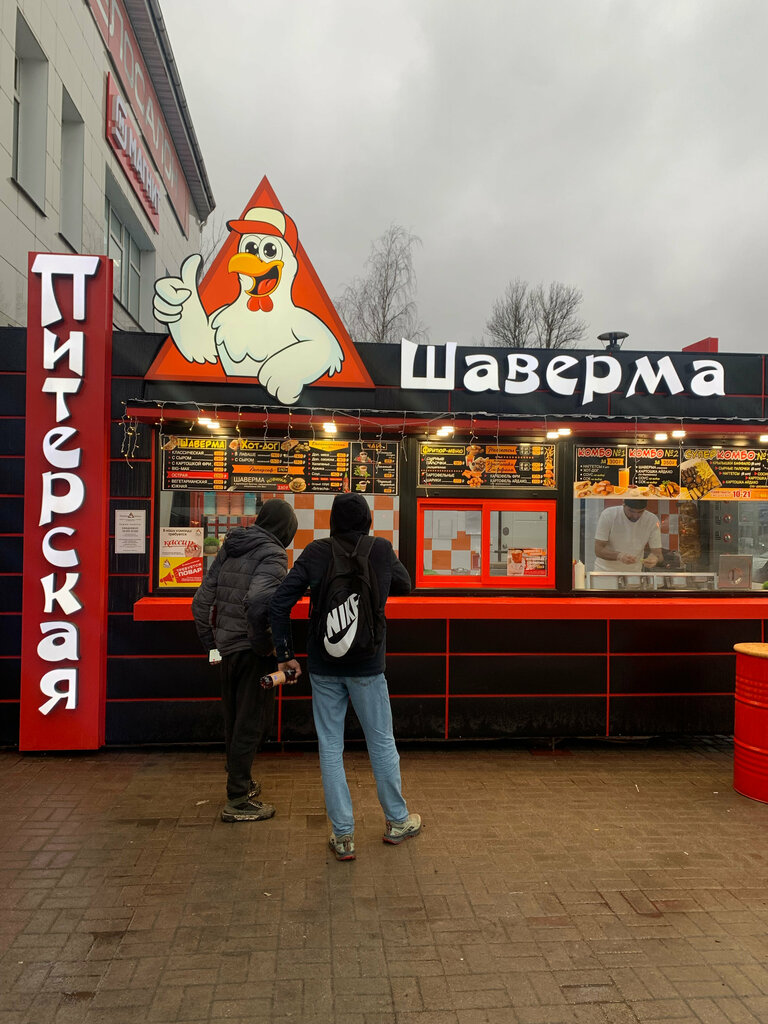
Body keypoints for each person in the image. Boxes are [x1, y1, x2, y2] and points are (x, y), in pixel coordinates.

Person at [269, 492, 419, 862]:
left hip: (323, 667)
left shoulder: (317, 552)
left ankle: (343, 835)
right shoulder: (381, 549)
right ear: (367, 520)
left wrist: (286, 656)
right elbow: (406, 585)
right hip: (368, 666)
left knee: (330, 748)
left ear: (332, 521)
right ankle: (398, 821)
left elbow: (278, 603)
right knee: (381, 743)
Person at [192, 498, 297, 823]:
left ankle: (243, 783)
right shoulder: (275, 554)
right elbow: (257, 602)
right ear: (285, 529)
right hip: (251, 651)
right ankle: (236, 799)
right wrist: (265, 646)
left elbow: (200, 602)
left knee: (235, 719)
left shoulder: (230, 546)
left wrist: (213, 645)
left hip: (227, 648)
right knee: (251, 723)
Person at [594, 498, 662, 574]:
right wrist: (619, 556)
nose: (635, 516)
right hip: (605, 572)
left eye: (640, 512)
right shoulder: (609, 514)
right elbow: (598, 550)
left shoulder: (652, 520)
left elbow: (658, 554)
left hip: (634, 574)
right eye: (631, 511)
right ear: (623, 503)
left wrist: (654, 558)